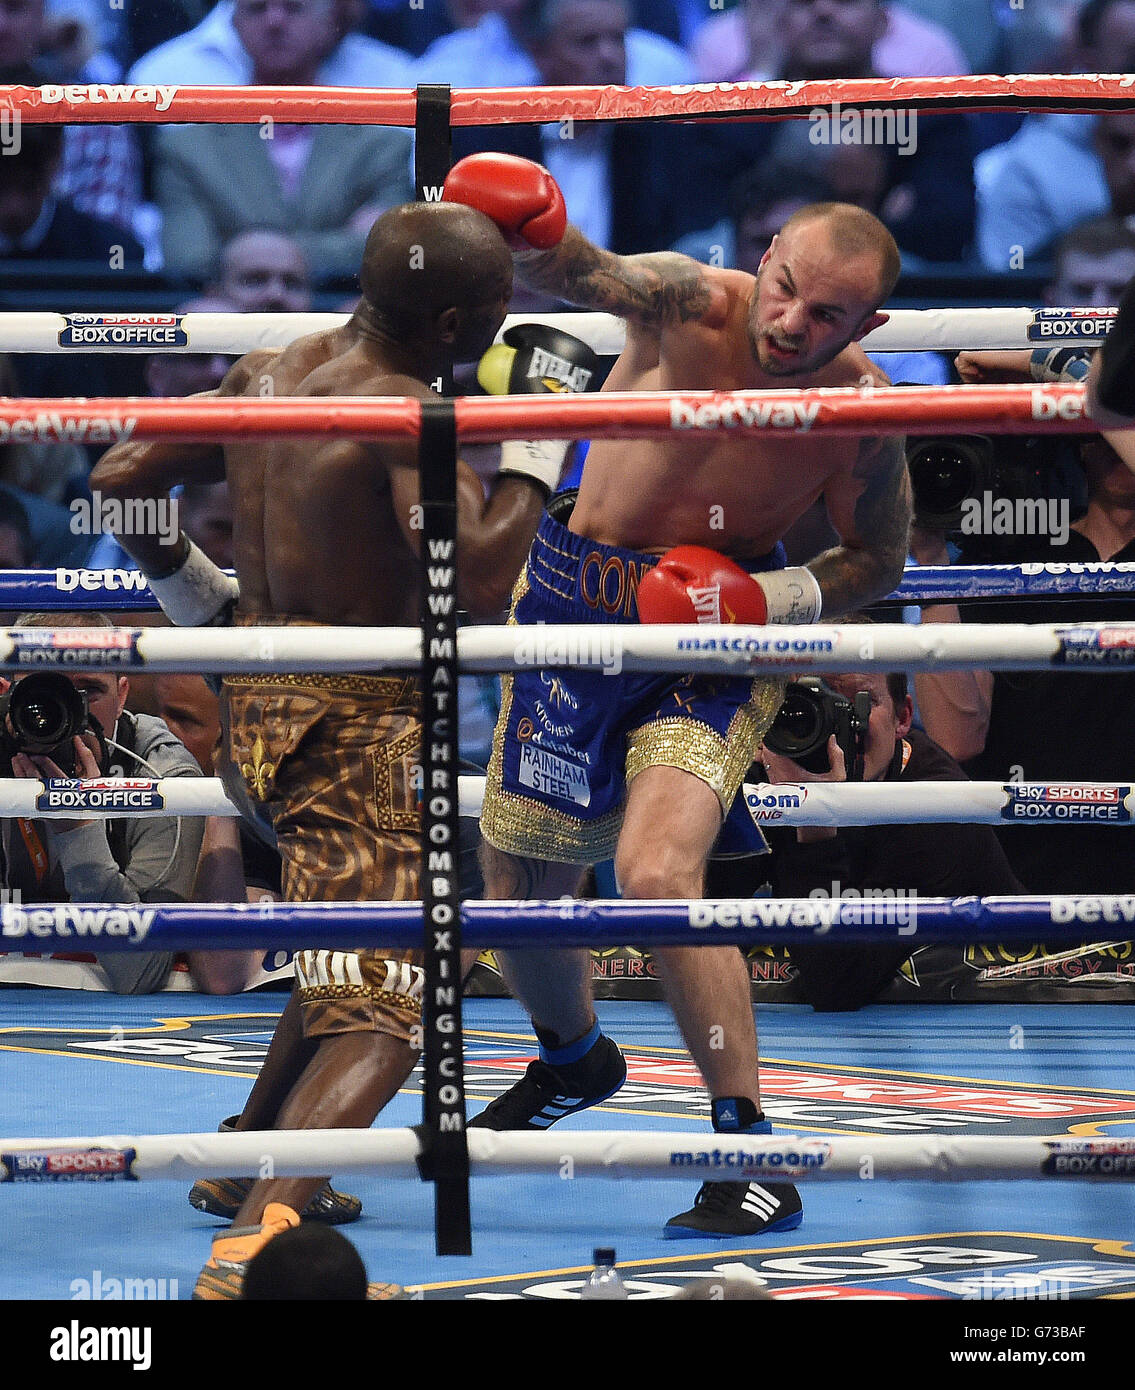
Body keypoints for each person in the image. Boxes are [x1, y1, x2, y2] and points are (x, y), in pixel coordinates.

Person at [90, 197, 566, 1296]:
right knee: (395, 1000)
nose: (502, 334)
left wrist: (202, 603)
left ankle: (249, 1160)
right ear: (451, 319)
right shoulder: (403, 413)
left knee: (351, 952)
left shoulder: (269, 365)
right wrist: (544, 433)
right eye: (495, 313)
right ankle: (254, 1251)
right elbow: (482, 584)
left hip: (254, 719)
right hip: (354, 729)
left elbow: (120, 478)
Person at [443, 153, 911, 1237]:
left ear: (867, 326)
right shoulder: (692, 302)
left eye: (828, 313)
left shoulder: (862, 414)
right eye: (786, 284)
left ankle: (749, 1147)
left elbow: (875, 556)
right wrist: (522, 234)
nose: (792, 321)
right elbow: (586, 276)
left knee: (658, 872)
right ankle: (574, 1057)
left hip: (711, 640)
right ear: (764, 256)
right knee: (517, 879)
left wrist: (769, 592)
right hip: (572, 606)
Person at [910, 339, 1135, 898]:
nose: (1113, 443)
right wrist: (933, 563)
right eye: (1103, 423)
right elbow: (958, 739)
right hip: (1021, 855)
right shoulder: (1013, 554)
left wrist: (1039, 364)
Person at [710, 665, 1023, 1011]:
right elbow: (694, 912)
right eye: (814, 701)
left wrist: (813, 818)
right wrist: (739, 781)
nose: (837, 721)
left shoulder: (936, 809)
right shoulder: (773, 770)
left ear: (902, 718)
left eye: (860, 702)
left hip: (992, 1016)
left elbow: (836, 983)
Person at [0, 611, 209, 995]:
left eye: (88, 692)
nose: (68, 711)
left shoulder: (163, 777)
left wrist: (78, 831)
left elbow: (143, 971)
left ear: (122, 695)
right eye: (47, 692)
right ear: (9, 692)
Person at [151, 1, 414, 280]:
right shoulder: (186, 149)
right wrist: (341, 243)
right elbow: (188, 260)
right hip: (233, 319)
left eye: (294, 8)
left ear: (328, 24)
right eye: (257, 8)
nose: (274, 21)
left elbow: (390, 251)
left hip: (346, 314)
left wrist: (246, 257)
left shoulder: (384, 144)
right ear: (233, 26)